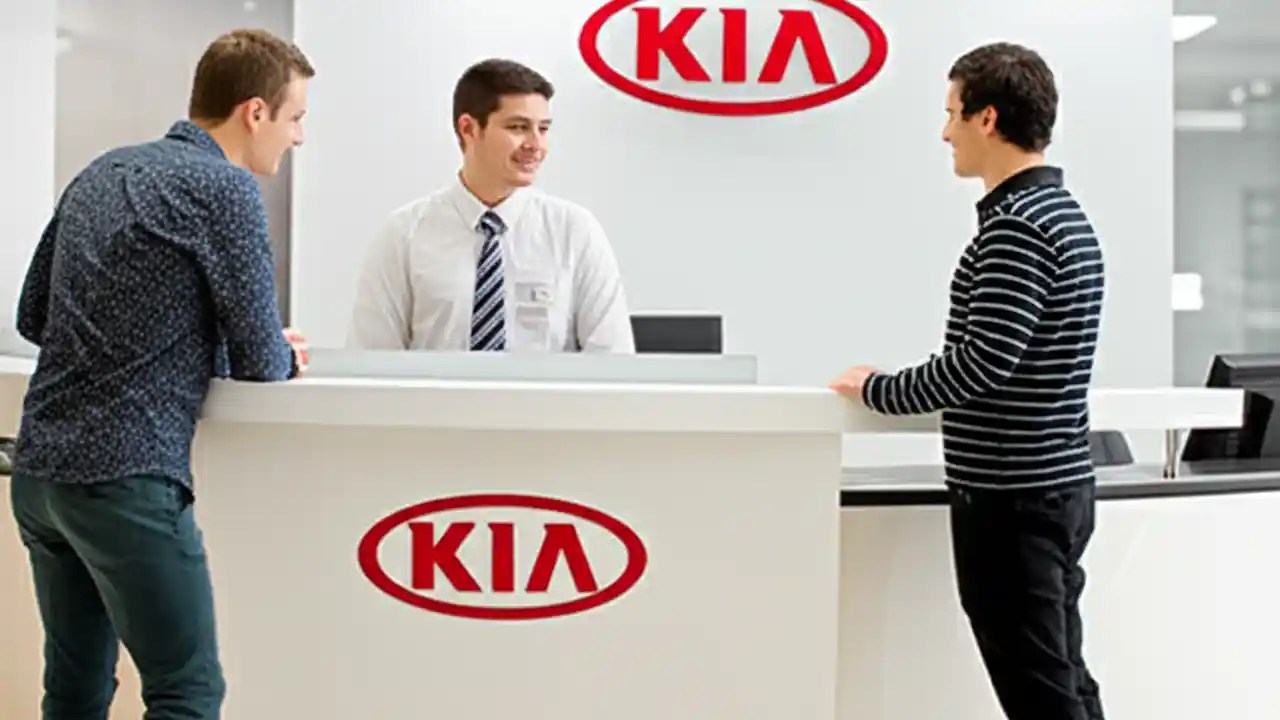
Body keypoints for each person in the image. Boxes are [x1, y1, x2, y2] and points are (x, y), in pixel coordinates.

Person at [7, 29, 314, 719]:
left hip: (41, 477)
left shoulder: (104, 170)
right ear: (254, 112)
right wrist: (274, 348)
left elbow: (34, 316)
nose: (298, 138)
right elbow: (263, 360)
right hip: (126, 478)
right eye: (295, 118)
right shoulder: (225, 191)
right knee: (186, 692)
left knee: (76, 691)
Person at [830, 42, 1106, 720]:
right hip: (1054, 487)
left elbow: (982, 362)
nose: (944, 132)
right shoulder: (1063, 217)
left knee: (1041, 694)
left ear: (988, 118)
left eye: (952, 113)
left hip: (1013, 499)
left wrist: (879, 389)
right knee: (1064, 680)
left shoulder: (1016, 228)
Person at [347, 58, 634, 353]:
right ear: (469, 129)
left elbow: (613, 361)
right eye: (519, 127)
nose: (536, 144)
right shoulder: (404, 235)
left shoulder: (574, 231)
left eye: (544, 129)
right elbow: (372, 360)